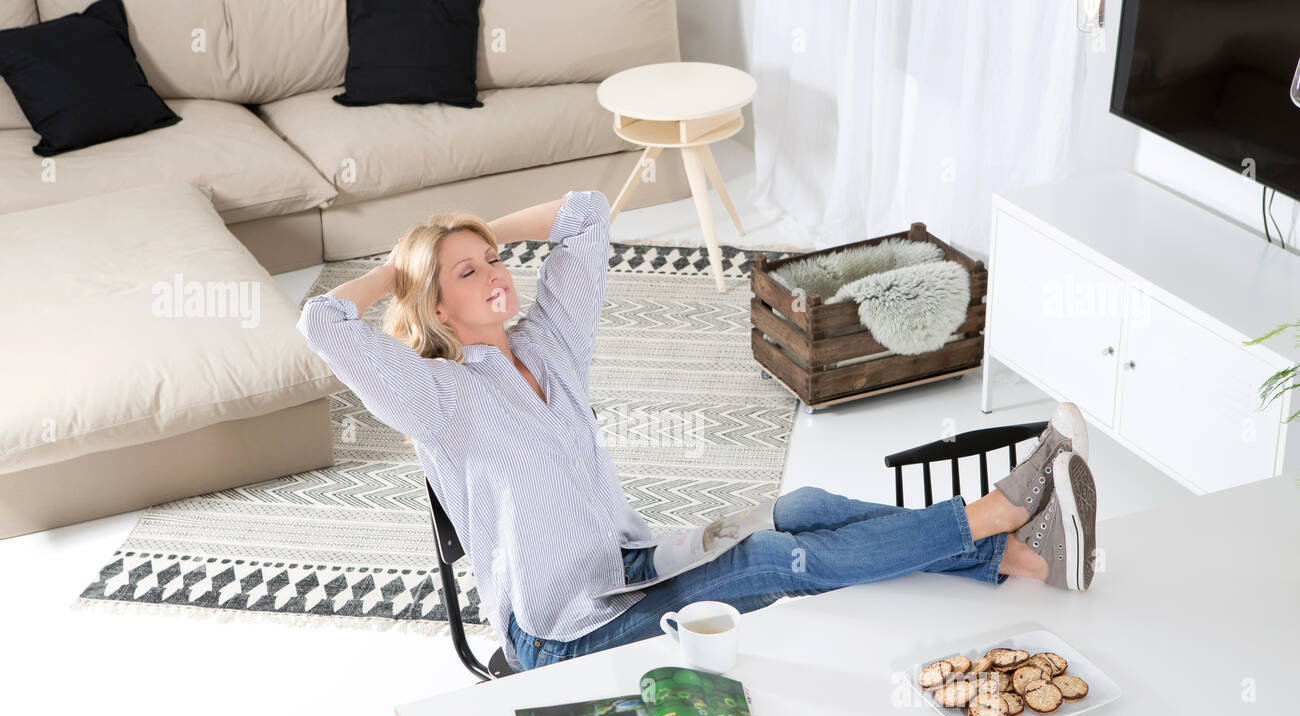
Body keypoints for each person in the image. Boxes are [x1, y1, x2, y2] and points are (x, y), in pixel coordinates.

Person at [296, 189, 1098, 673]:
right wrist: (406, 268)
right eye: (467, 275)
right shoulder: (437, 398)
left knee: (807, 503)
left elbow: (584, 216)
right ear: (437, 308)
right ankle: (994, 514)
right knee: (771, 560)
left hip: (628, 562)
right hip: (565, 626)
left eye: (496, 260)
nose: (495, 275)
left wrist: (469, 231)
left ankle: (1022, 557)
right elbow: (323, 322)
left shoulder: (548, 345)